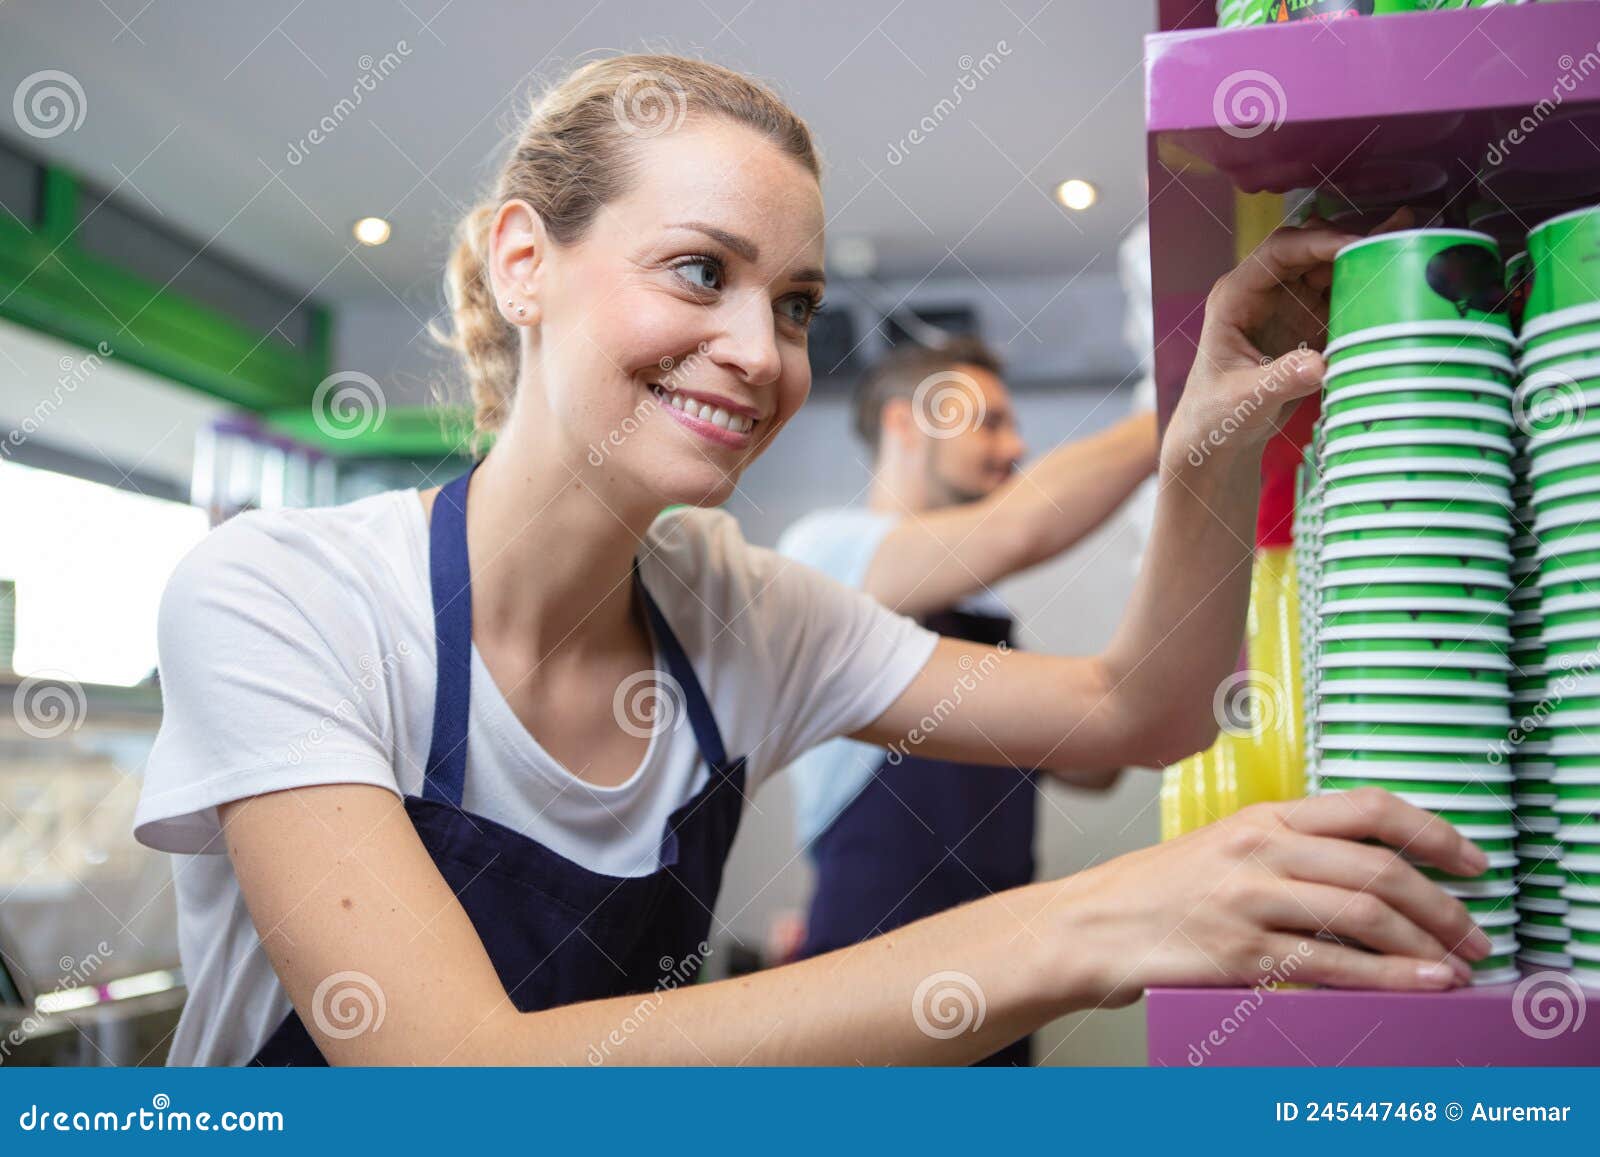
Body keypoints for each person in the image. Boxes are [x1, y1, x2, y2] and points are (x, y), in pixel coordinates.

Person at [133, 53, 1493, 1067]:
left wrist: (1203, 447)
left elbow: (1137, 711)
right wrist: (1087, 926)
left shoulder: (742, 614)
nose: (759, 351)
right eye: (697, 271)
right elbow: (446, 1075)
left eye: (793, 306)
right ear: (521, 262)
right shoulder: (284, 595)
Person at [778, 339, 1156, 1066]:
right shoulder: (825, 556)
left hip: (998, 993)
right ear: (906, 425)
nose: (1013, 447)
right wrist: (1185, 407)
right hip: (864, 988)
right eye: (988, 423)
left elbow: (1097, 762)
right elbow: (1020, 526)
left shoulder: (981, 617)